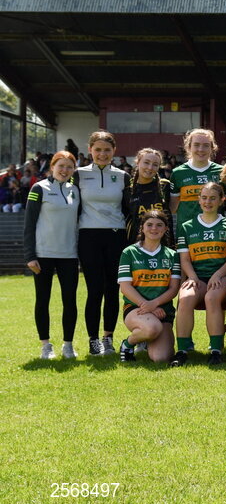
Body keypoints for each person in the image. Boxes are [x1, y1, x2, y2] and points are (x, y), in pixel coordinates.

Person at [76, 130, 129, 356]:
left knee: (112, 289)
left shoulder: (123, 176)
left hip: (116, 237)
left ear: (114, 151)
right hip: (88, 237)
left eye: (107, 150)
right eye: (97, 149)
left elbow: (127, 209)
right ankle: (93, 340)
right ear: (90, 150)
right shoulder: (78, 174)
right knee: (94, 290)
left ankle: (108, 338)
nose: (102, 154)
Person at [169, 182, 226, 367]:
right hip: (197, 276)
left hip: (223, 277)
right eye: (204, 198)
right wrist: (192, 277)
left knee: (212, 298)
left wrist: (218, 275)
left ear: (221, 200)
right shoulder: (187, 226)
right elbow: (185, 259)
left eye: (213, 198)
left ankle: (216, 351)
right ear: (199, 200)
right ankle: (182, 350)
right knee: (185, 297)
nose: (208, 202)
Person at [25, 151, 80, 360]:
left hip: (69, 254)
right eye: (61, 166)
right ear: (52, 167)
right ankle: (45, 346)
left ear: (73, 169)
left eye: (69, 167)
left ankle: (68, 345)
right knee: (43, 300)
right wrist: (30, 255)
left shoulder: (75, 190)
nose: (65, 170)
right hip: (43, 254)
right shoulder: (39, 188)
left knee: (70, 300)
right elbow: (29, 224)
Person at [117, 210, 180, 364]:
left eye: (159, 225)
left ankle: (147, 339)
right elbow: (125, 287)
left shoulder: (172, 255)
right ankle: (128, 344)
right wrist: (148, 306)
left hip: (163, 311)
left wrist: (155, 304)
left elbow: (174, 289)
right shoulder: (129, 252)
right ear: (142, 228)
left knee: (161, 358)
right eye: (149, 225)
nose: (154, 228)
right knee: (152, 328)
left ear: (166, 229)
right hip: (136, 308)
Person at [170, 128, 223, 231]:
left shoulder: (222, 172)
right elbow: (173, 207)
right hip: (186, 233)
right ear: (189, 147)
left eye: (206, 145)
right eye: (196, 145)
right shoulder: (178, 173)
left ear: (212, 148)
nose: (201, 149)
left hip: (216, 232)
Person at [122, 148, 172, 247]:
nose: (150, 167)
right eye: (146, 162)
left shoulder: (165, 186)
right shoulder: (128, 191)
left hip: (164, 245)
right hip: (136, 245)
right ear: (137, 162)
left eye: (155, 164)